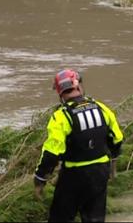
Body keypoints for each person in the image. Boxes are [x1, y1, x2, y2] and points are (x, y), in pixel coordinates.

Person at [33, 69, 124, 222]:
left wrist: (39, 179)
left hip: (74, 175)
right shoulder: (102, 108)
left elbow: (51, 153)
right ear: (79, 87)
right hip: (100, 173)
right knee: (94, 219)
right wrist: (112, 167)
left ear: (60, 93)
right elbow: (117, 139)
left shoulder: (61, 116)